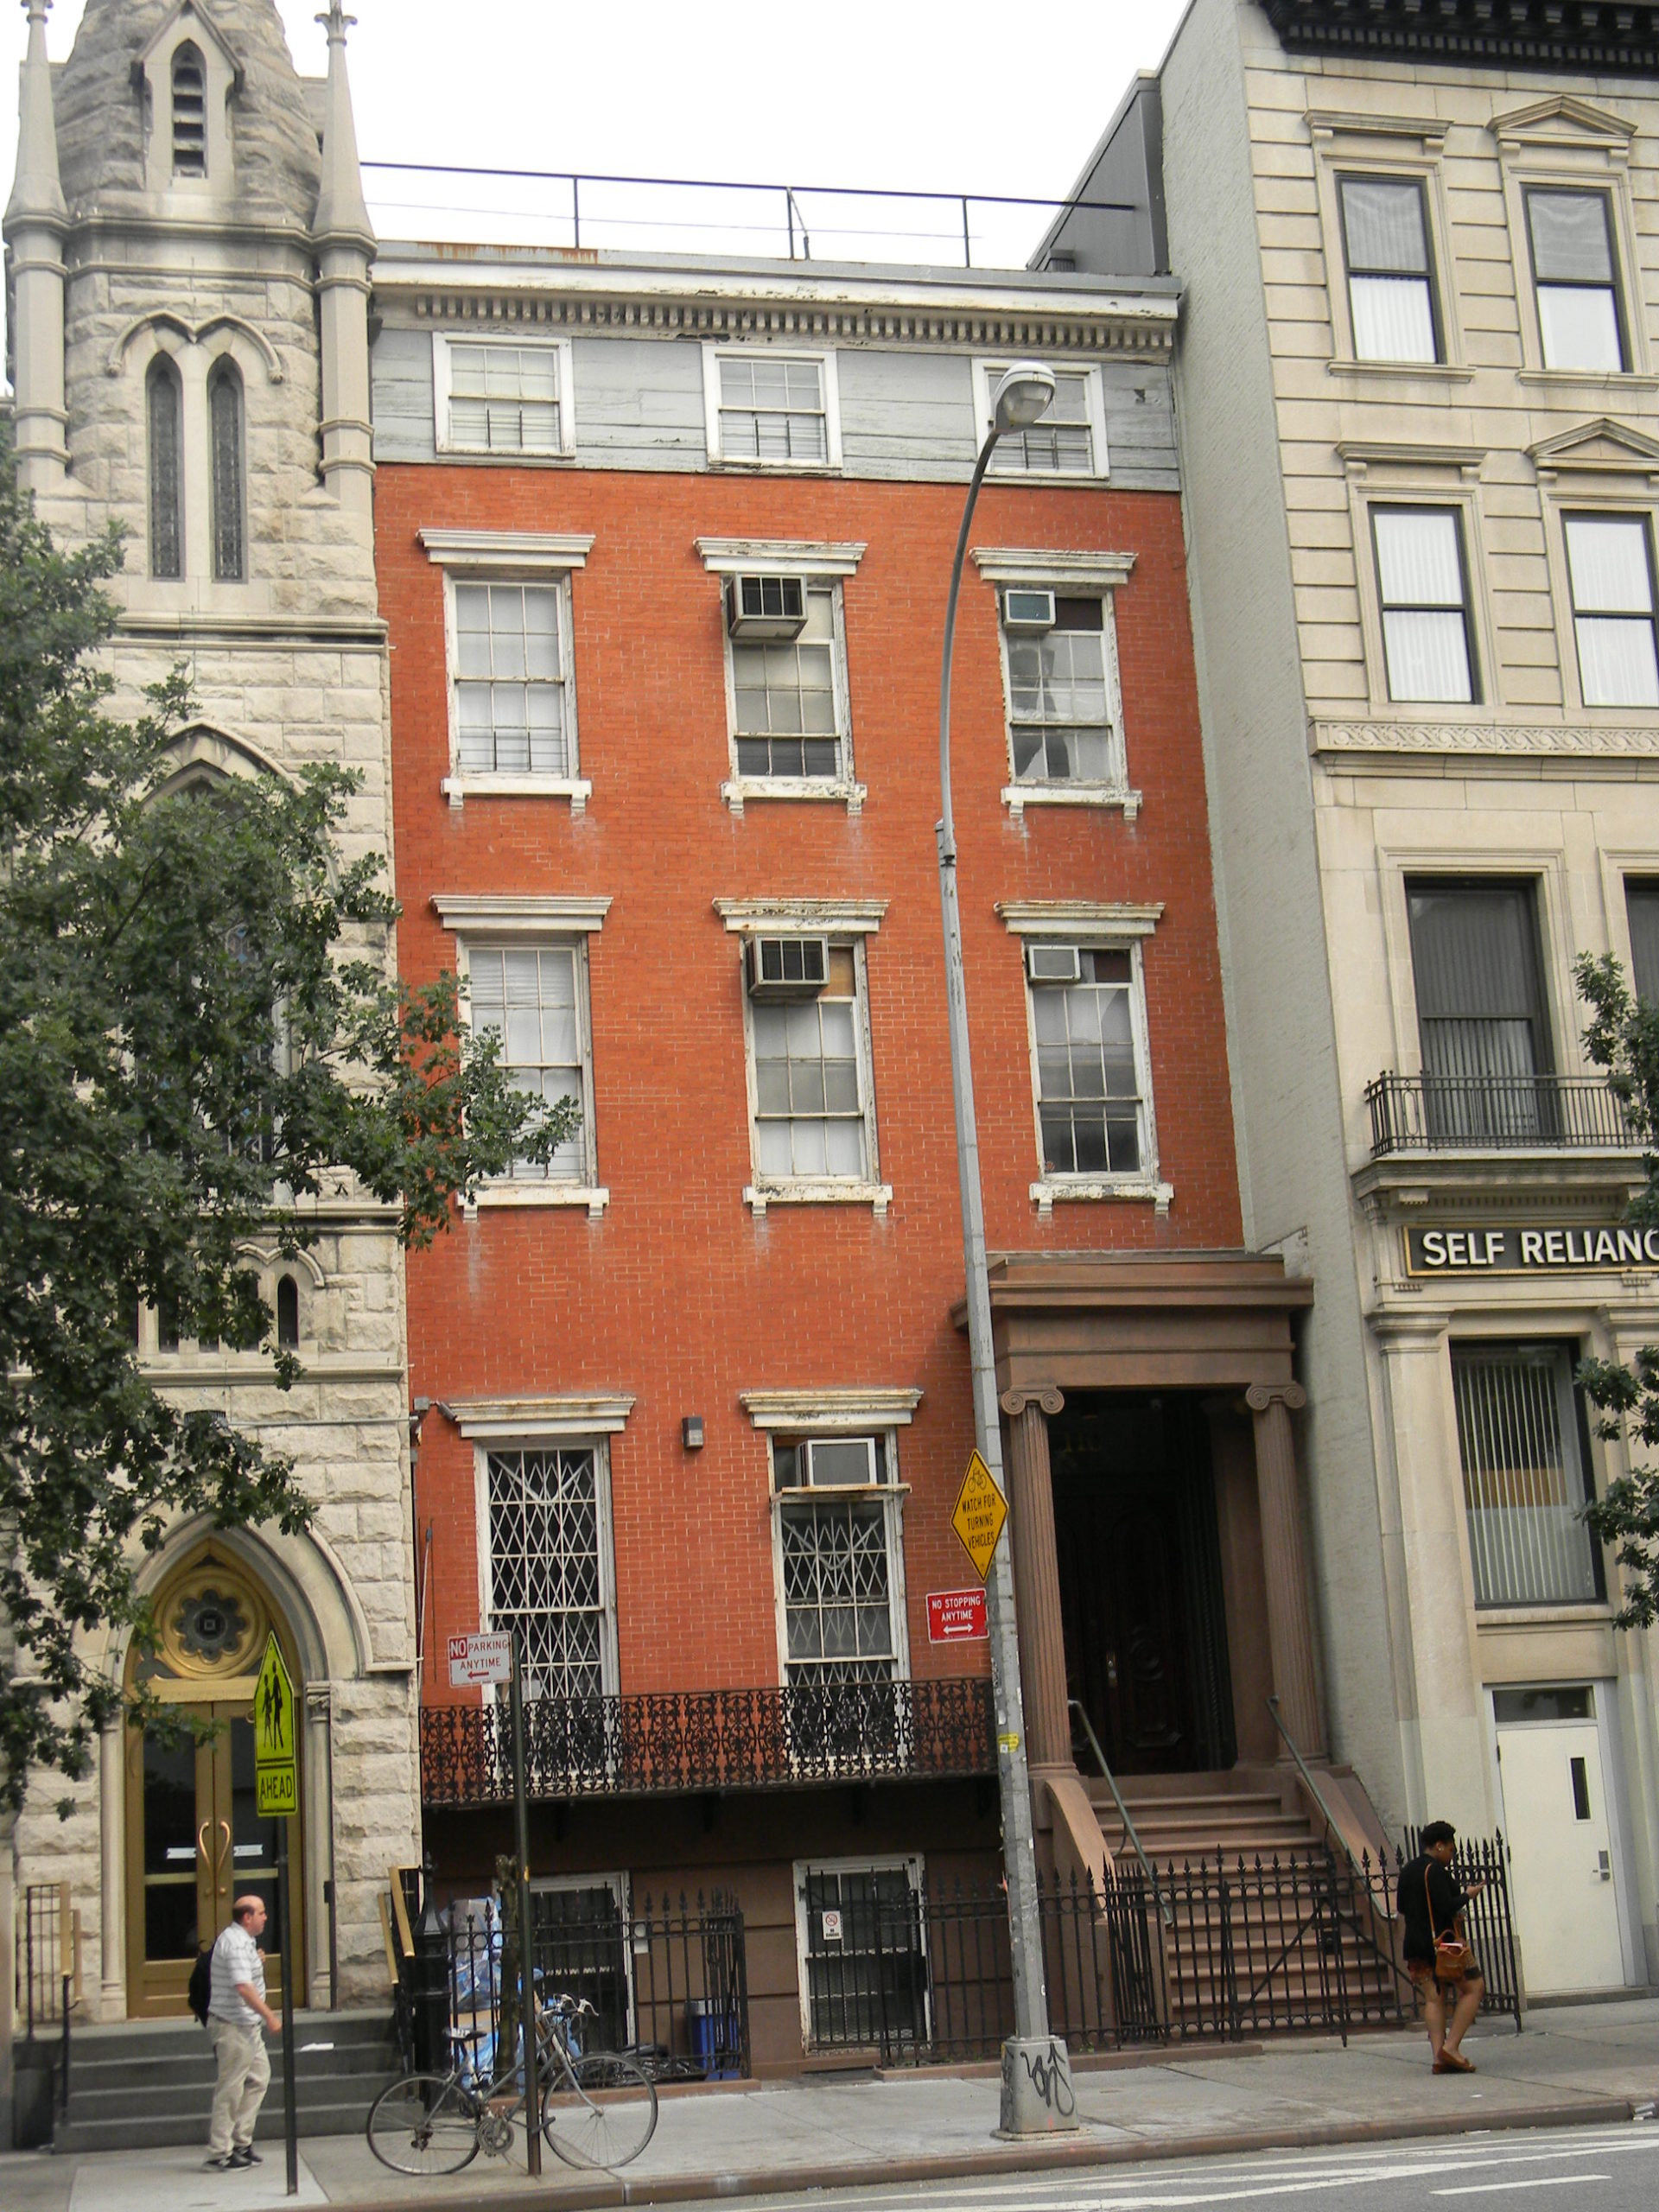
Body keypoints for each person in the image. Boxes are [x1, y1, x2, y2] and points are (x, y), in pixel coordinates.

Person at [1397, 1820, 1486, 2074]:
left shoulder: (1407, 1871)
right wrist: (1469, 1894)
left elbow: (1402, 1908)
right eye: (1451, 1849)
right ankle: (1451, 2046)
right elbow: (1446, 1906)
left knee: (1433, 1999)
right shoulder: (1434, 1871)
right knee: (1474, 1988)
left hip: (1415, 1943)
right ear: (1439, 1846)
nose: (1452, 1854)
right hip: (1443, 1945)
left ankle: (1439, 2058)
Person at [206, 1895, 279, 2169]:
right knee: (231, 2087)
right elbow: (243, 1987)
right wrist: (269, 2016)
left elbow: (245, 1976)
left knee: (259, 2077)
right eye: (261, 1912)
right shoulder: (235, 1943)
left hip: (247, 2026)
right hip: (233, 2026)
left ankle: (241, 2141)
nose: (265, 1917)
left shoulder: (244, 1943)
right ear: (247, 1917)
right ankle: (219, 2152)